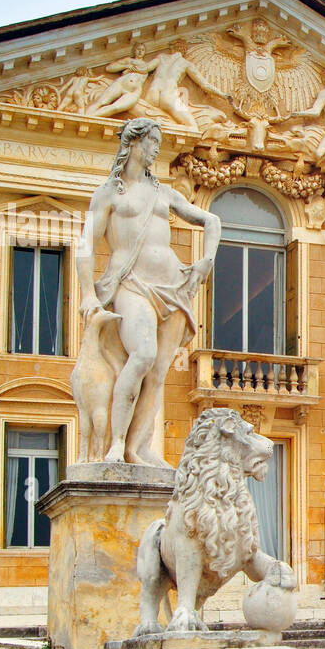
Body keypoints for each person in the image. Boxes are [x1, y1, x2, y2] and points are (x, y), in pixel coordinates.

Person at [75, 118, 222, 467]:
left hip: (172, 288)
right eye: (152, 141)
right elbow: (86, 245)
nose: (157, 148)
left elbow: (212, 222)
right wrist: (87, 294)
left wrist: (206, 262)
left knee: (157, 373)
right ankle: (117, 444)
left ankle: (138, 448)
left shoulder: (164, 193)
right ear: (134, 143)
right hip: (131, 283)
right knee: (141, 355)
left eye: (159, 141)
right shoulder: (110, 193)